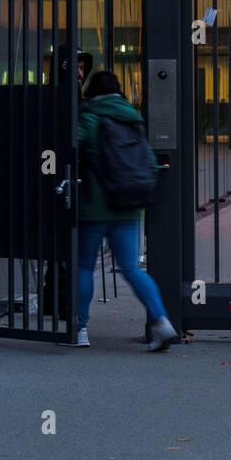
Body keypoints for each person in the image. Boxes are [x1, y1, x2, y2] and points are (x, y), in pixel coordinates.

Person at [73, 70, 178, 351]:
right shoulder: (133, 118)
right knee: (131, 268)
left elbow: (70, 146)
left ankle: (80, 328)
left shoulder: (90, 116)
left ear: (91, 91)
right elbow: (150, 163)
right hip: (128, 206)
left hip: (95, 207)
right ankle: (161, 321)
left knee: (84, 266)